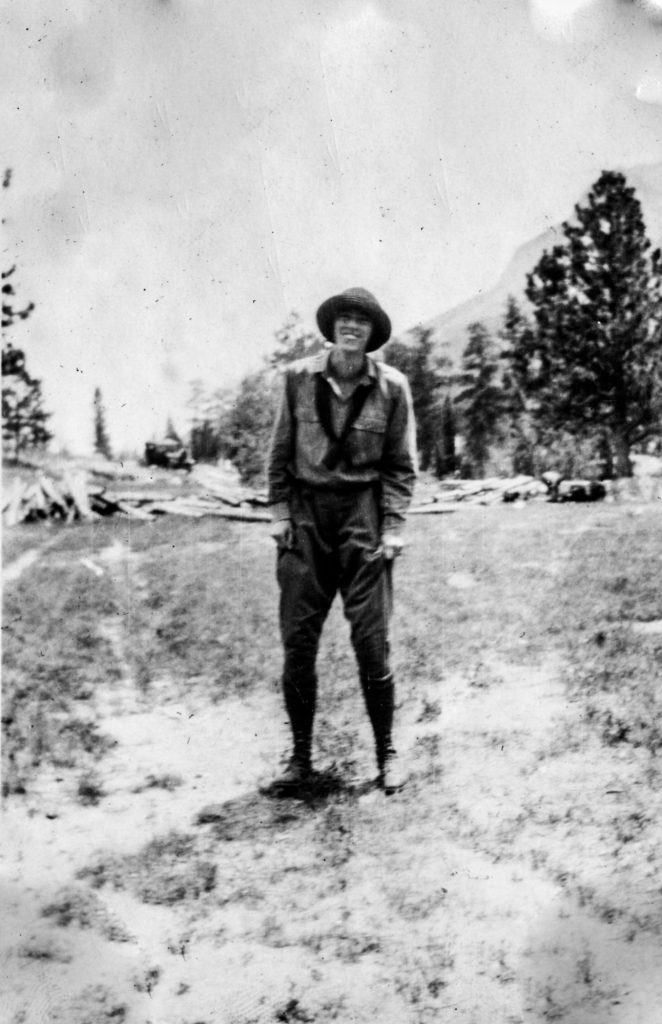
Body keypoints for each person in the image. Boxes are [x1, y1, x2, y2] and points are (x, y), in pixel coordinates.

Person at [265, 287, 417, 795]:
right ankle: (300, 760)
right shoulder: (295, 379)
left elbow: (400, 467)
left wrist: (393, 527)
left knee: (373, 645)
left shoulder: (393, 387)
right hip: (306, 519)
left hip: (363, 518)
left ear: (373, 333)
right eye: (344, 319)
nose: (352, 327)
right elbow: (280, 451)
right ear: (331, 328)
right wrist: (280, 512)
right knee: (298, 644)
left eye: (363, 321)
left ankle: (387, 754)